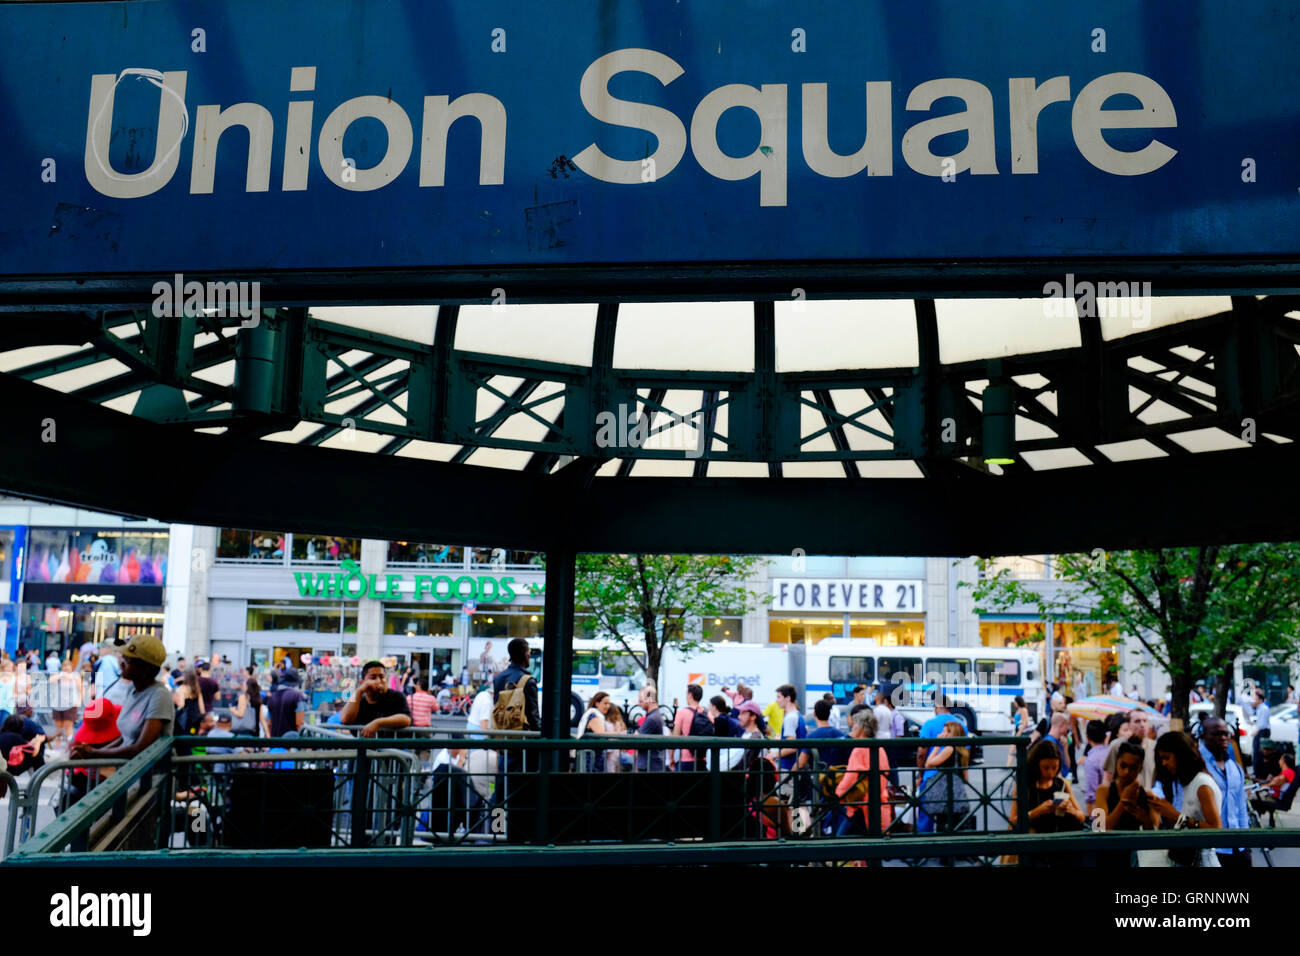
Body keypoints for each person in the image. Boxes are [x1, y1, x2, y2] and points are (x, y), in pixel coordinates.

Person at [70, 634, 174, 762]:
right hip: (129, 771)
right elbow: (125, 738)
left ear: (146, 669)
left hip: (150, 777)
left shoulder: (159, 696)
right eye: (123, 658)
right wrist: (93, 752)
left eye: (129, 661)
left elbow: (140, 748)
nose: (121, 663)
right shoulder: (132, 690)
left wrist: (95, 754)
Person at [1149, 730, 1223, 867]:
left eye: (1167, 758)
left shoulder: (1202, 784)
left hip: (1201, 860)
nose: (1164, 763)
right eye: (1161, 759)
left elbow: (1216, 828)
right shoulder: (1183, 784)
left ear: (1181, 755)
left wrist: (1178, 817)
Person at [1010, 739, 1087, 865]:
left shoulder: (1062, 785)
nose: (1051, 773)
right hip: (1035, 849)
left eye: (1055, 767)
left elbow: (1082, 816)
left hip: (1063, 848)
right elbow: (1013, 820)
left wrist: (1070, 809)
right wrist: (1037, 811)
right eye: (1045, 768)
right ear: (1036, 765)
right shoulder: (1026, 786)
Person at [1094, 738, 1160, 866]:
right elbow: (1102, 828)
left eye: (1133, 768)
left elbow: (1153, 835)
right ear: (1116, 763)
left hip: (1136, 858)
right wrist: (1123, 802)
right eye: (1123, 765)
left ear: (1140, 769)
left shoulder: (1148, 797)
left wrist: (1142, 816)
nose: (1126, 772)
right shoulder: (1103, 791)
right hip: (1108, 857)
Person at [833, 708, 893, 843]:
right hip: (879, 803)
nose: (852, 727)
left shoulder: (859, 749)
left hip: (860, 805)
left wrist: (837, 794)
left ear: (860, 728)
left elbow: (850, 778)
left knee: (839, 844)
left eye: (854, 724)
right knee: (871, 846)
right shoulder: (880, 749)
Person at [1198, 716, 1251, 868]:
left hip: (1237, 846)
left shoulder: (1234, 768)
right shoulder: (1196, 764)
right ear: (1203, 736)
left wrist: (1246, 844)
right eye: (1216, 734)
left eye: (1225, 733)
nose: (1222, 738)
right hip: (1211, 848)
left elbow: (1241, 808)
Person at [920, 720, 973, 832]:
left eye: (945, 732)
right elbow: (966, 778)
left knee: (943, 826)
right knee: (956, 827)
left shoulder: (949, 749)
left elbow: (928, 764)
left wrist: (937, 745)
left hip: (945, 797)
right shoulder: (962, 751)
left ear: (951, 734)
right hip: (958, 797)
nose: (941, 734)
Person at [340, 660, 413, 738]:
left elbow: (406, 719)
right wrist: (359, 690)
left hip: (391, 749)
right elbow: (345, 719)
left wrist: (378, 723)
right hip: (364, 748)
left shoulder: (396, 696)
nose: (378, 681)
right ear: (363, 682)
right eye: (373, 677)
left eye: (382, 677)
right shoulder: (358, 700)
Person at [1102, 709, 1157, 788]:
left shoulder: (1155, 747)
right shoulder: (1116, 746)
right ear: (1128, 725)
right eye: (1137, 721)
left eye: (1145, 721)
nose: (1142, 725)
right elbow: (1108, 777)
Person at [801, 697, 849, 771]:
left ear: (814, 714)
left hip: (818, 778)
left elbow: (801, 762)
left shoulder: (811, 737)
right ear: (829, 714)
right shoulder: (841, 735)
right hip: (837, 777)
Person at [49, 658, 83, 750]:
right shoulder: (59, 676)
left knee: (68, 726)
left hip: (71, 705)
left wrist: (79, 701)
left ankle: (69, 747)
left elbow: (81, 690)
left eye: (68, 666)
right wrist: (61, 675)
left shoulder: (75, 677)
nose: (66, 668)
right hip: (58, 704)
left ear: (71, 667)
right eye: (64, 666)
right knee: (58, 728)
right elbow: (50, 680)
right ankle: (57, 747)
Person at [670, 683, 705, 771]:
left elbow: (675, 738)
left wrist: (671, 758)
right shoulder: (706, 713)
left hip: (686, 760)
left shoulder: (682, 712)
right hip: (702, 760)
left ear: (690, 695)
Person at [575, 691, 611, 772]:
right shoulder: (593, 717)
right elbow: (601, 734)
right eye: (605, 703)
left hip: (593, 757)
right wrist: (618, 733)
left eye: (609, 703)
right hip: (590, 759)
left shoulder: (597, 716)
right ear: (597, 703)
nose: (608, 706)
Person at [634, 685, 667, 771]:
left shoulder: (652, 719)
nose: (638, 703)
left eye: (641, 701)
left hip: (649, 766)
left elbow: (635, 738)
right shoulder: (654, 716)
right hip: (651, 764)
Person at [266, 668, 307, 736]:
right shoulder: (297, 697)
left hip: (275, 742)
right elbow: (299, 723)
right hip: (291, 742)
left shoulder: (272, 698)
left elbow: (269, 723)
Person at [1081, 719, 1109, 813]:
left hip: (1100, 811)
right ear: (1105, 736)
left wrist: (1093, 821)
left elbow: (1091, 795)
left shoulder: (1091, 760)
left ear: (1088, 738)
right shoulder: (1110, 752)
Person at [173, 668, 205, 736]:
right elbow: (202, 708)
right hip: (196, 717)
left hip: (186, 719)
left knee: (184, 737)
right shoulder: (197, 688)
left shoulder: (182, 688)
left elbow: (181, 704)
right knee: (192, 735)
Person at [1252, 687, 1271, 778]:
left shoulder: (1263, 708)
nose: (1253, 701)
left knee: (1259, 753)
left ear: (1259, 699)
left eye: (1255, 698)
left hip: (1262, 732)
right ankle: (1257, 773)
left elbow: (1262, 724)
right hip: (1261, 731)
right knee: (1257, 753)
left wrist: (1256, 732)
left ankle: (1259, 774)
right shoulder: (1259, 708)